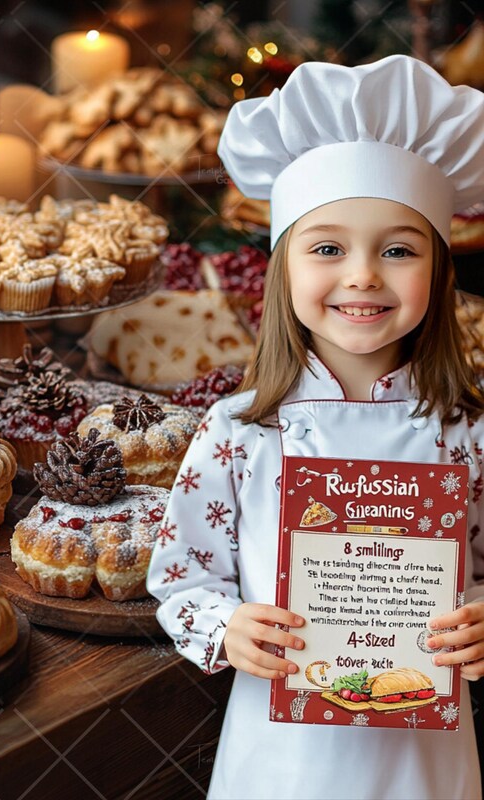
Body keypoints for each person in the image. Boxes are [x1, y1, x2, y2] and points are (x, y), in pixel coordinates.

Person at [146, 55, 484, 800]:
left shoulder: (469, 435)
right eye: (328, 247)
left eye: (399, 249)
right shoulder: (240, 432)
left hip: (423, 767)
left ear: (439, 269)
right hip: (280, 760)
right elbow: (183, 575)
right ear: (282, 268)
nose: (363, 275)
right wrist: (227, 625)